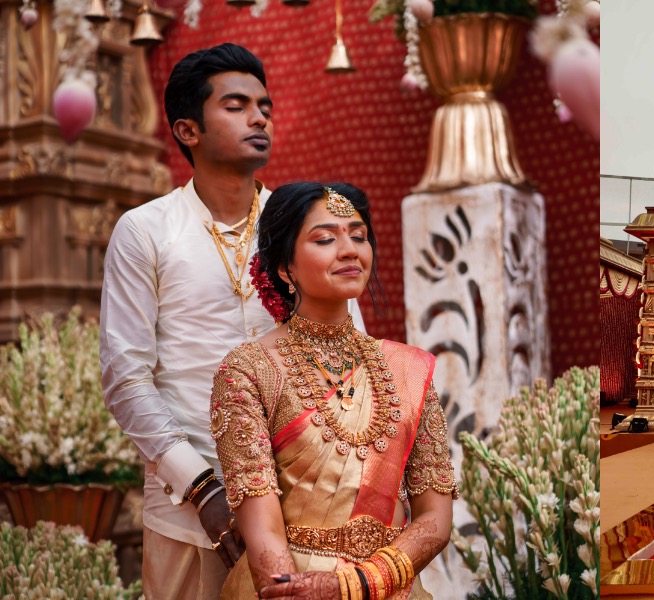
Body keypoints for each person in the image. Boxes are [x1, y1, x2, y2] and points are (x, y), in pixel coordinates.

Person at [100, 44, 363, 599]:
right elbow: (126, 379)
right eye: (237, 105)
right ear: (187, 130)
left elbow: (351, 355)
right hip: (189, 511)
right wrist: (204, 491)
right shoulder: (146, 231)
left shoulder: (307, 226)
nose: (260, 117)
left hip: (307, 503)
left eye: (264, 105)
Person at [211, 182, 456, 599]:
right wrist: (293, 591)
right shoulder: (249, 370)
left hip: (389, 588)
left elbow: (435, 519)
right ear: (285, 268)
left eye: (359, 236)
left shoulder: (408, 370)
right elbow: (262, 529)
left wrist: (357, 584)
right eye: (325, 239)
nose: (350, 250)